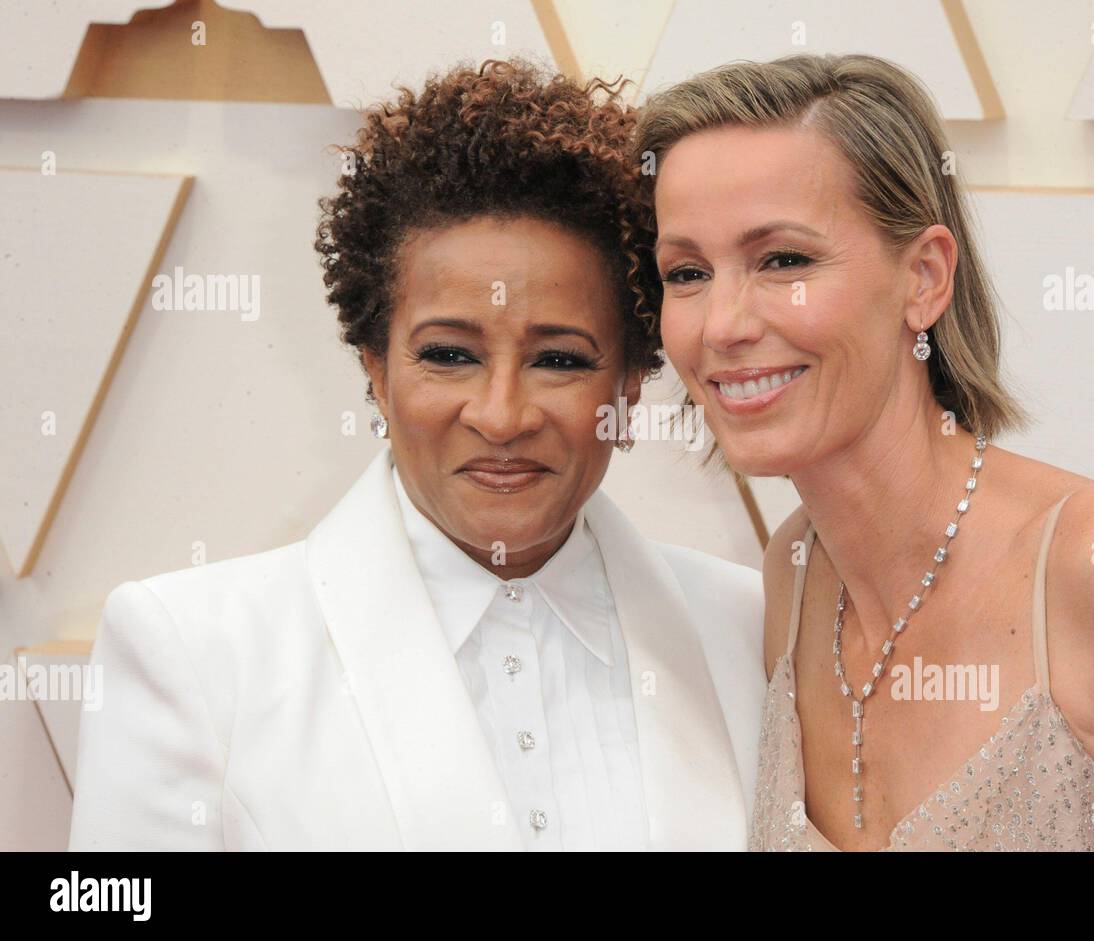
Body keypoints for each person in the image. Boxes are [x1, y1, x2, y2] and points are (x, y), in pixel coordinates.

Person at [68, 59, 765, 851]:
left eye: (561, 360)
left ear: (633, 378)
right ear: (375, 364)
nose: (502, 415)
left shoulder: (748, 628)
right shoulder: (192, 651)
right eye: (449, 355)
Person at [636, 53, 1094, 851]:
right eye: (687, 272)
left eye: (784, 261)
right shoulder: (796, 578)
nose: (722, 324)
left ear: (924, 277)